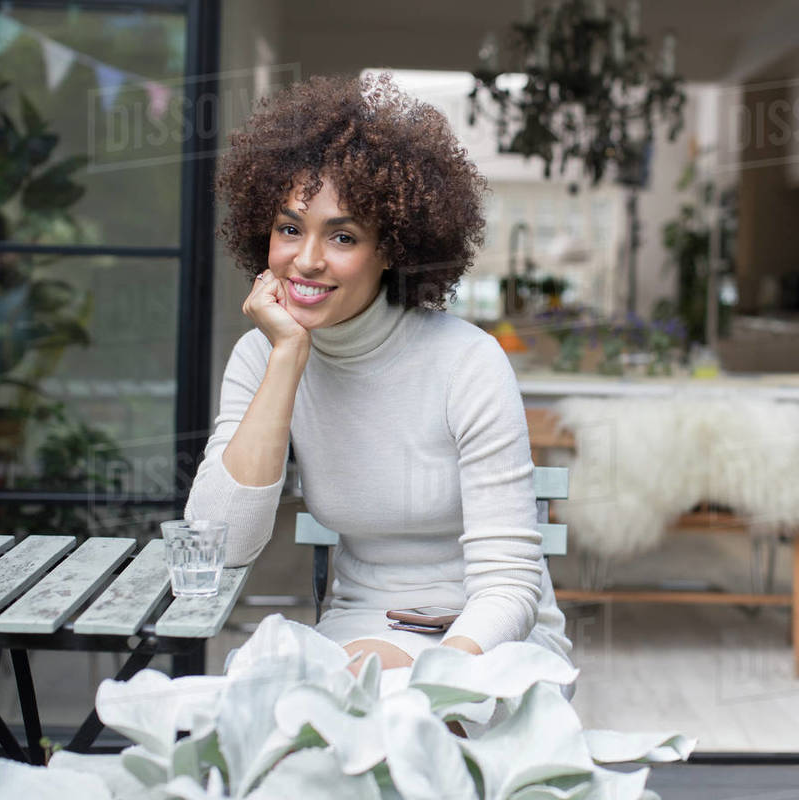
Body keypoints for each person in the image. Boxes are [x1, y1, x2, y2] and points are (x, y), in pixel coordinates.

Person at [184, 72, 574, 683]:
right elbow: (222, 545)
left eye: (342, 236)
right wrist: (287, 355)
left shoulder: (466, 361)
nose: (307, 259)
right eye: (290, 228)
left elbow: (509, 582)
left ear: (390, 248)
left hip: (487, 642)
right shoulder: (261, 357)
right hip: (359, 627)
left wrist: (433, 676)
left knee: (389, 727)